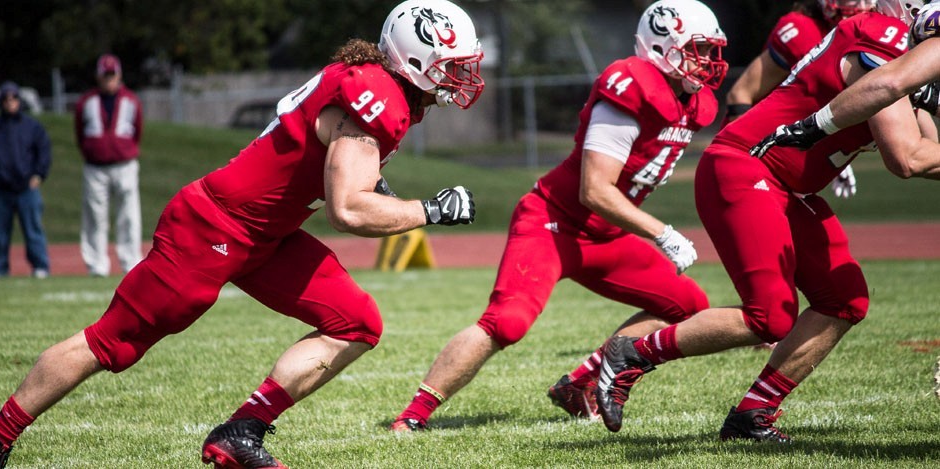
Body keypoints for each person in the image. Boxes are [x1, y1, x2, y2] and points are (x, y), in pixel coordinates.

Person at [0, 1, 484, 467]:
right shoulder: (378, 98)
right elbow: (347, 210)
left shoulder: (372, 81)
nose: (462, 77)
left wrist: (389, 195)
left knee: (356, 322)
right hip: (213, 227)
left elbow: (330, 167)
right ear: (415, 56)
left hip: (266, 235)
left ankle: (241, 432)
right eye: (453, 66)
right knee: (112, 342)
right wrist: (430, 210)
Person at [594, 0, 940, 444]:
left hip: (786, 183)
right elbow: (907, 157)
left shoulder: (895, 43)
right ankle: (632, 352)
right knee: (769, 316)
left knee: (844, 299)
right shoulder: (882, 35)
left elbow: (926, 143)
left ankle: (752, 414)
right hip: (746, 166)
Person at [390, 0, 725, 430]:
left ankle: (580, 383)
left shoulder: (694, 103)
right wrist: (662, 233)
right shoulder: (632, 85)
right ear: (662, 47)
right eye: (697, 48)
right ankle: (412, 418)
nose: (708, 61)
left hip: (604, 235)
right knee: (506, 322)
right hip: (553, 222)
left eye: (711, 50)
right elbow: (594, 189)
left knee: (688, 305)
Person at [724, 1, 878, 200]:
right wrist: (745, 156)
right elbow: (740, 94)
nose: (862, 5)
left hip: (795, 148)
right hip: (759, 144)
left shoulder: (864, 40)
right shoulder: (802, 29)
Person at [752, 1, 940, 156]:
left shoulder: (881, 32)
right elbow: (908, 157)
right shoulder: (804, 29)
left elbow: (926, 142)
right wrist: (815, 127)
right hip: (767, 151)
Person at [74, 53, 144, 277]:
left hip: (124, 164)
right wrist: (91, 151)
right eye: (105, 76)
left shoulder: (131, 100)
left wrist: (125, 150)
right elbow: (79, 132)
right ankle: (97, 266)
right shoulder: (87, 102)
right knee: (95, 216)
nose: (108, 80)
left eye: (112, 75)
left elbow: (137, 130)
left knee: (129, 215)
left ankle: (131, 262)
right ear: (98, 76)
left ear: (119, 75)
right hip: (95, 166)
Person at [0, 81, 52, 280]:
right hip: (0, 188)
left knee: (33, 229)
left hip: (27, 187)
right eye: (6, 99)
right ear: (1, 101)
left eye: (14, 98)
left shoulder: (32, 127)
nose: (10, 102)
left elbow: (43, 152)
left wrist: (39, 175)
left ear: (19, 100)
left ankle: (40, 266)